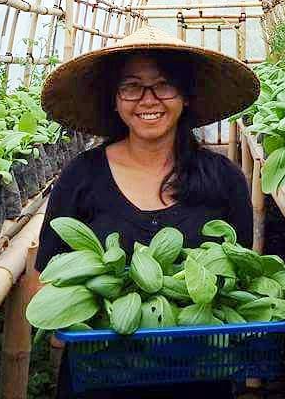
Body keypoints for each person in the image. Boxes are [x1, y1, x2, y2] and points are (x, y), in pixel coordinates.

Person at [33, 25, 260, 398]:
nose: (148, 99)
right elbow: (48, 270)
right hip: (100, 377)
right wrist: (63, 324)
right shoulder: (81, 176)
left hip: (198, 376)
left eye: (164, 84)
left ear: (185, 96)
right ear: (115, 99)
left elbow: (242, 273)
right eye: (131, 86)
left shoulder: (224, 181)